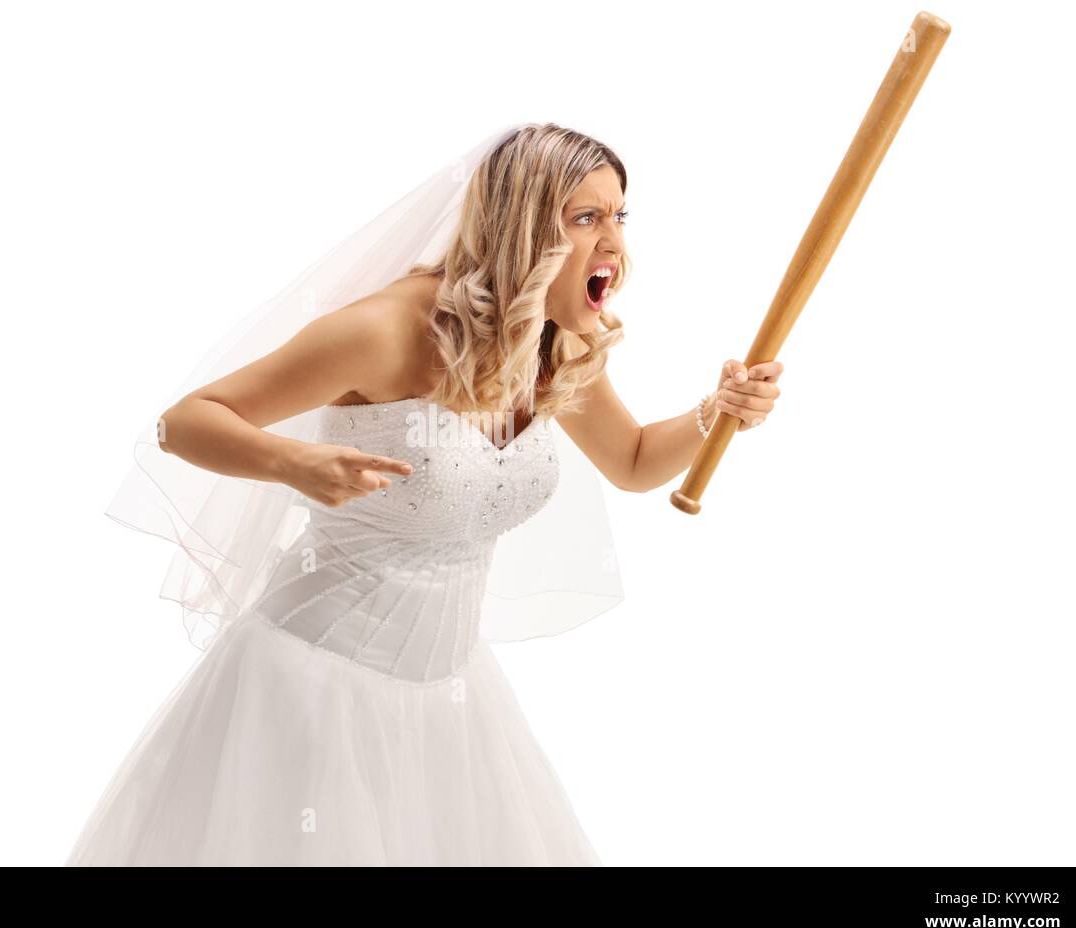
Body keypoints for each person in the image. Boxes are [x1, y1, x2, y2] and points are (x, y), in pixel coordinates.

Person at [64, 121, 782, 866]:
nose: (615, 244)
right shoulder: (384, 332)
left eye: (619, 215)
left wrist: (715, 413)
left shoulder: (555, 339)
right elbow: (183, 424)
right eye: (585, 217)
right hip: (312, 688)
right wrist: (292, 463)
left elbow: (632, 461)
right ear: (522, 226)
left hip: (452, 698)